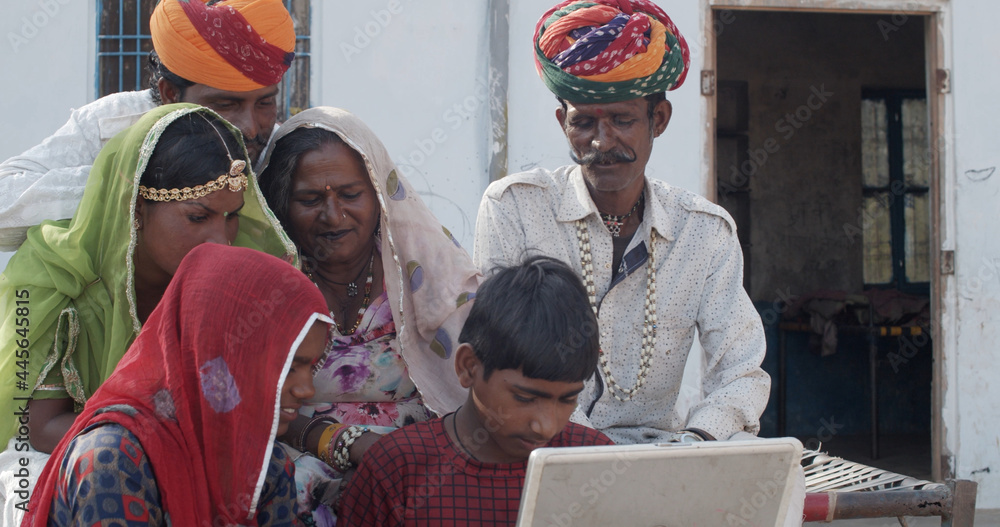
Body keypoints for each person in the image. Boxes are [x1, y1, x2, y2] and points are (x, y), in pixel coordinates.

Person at [473, 0, 770, 446]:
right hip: (543, 446)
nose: (601, 140)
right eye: (584, 122)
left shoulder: (705, 233)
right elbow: (499, 355)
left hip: (667, 453)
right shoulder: (514, 207)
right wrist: (600, 453)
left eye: (622, 120)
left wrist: (700, 441)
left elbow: (741, 369)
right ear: (562, 123)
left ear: (660, 120)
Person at [0, 104, 295, 523]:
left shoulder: (222, 284)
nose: (221, 240)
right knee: (110, 463)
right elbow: (37, 427)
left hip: (187, 452)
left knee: (269, 467)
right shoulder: (55, 277)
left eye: (231, 217)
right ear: (136, 207)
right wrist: (159, 444)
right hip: (64, 460)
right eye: (198, 216)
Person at [257, 107, 481, 515]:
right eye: (310, 199)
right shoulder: (266, 279)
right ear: (280, 203)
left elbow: (474, 383)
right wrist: (340, 442)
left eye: (349, 195)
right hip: (289, 467)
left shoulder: (420, 268)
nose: (333, 215)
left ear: (379, 194)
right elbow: (243, 401)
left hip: (409, 467)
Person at [22, 244, 330, 526]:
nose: (307, 390)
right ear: (223, 356)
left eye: (311, 367)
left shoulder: (264, 466)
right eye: (288, 366)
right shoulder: (110, 460)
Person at [337, 256, 614, 526]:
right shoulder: (397, 470)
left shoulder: (596, 463)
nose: (545, 426)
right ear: (468, 367)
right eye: (525, 398)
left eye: (568, 400)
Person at [0, 0, 296, 251]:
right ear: (170, 94)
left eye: (264, 104)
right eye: (225, 105)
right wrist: (133, 181)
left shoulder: (280, 148)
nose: (251, 128)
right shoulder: (112, 123)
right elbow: (5, 207)